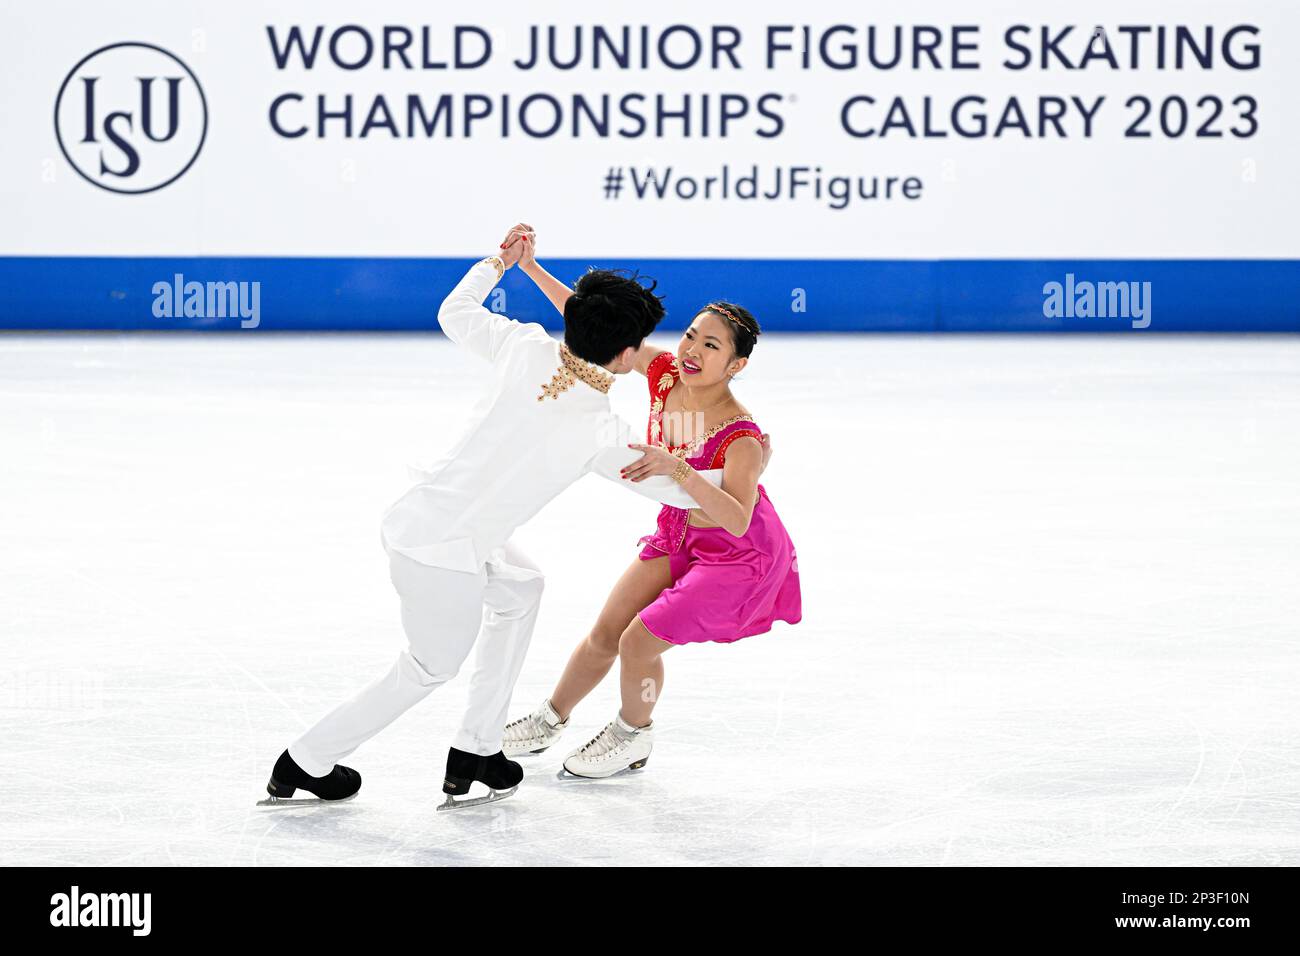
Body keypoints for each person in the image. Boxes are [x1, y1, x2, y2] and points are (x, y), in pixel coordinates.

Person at [259, 224, 729, 809]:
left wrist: (500, 263)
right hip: (440, 553)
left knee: (522, 588)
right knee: (428, 668)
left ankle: (477, 748)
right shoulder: (603, 435)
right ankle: (305, 760)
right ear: (629, 355)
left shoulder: (523, 344)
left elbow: (453, 310)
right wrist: (737, 461)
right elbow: (686, 493)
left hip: (426, 517)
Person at [502, 261, 801, 778]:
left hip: (738, 556)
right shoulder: (664, 376)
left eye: (712, 346)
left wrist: (680, 469)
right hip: (678, 533)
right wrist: (528, 267)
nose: (692, 350)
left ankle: (632, 735)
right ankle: (550, 719)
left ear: (736, 365)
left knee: (638, 640)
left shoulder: (742, 435)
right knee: (605, 632)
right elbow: (599, 321)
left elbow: (734, 519)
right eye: (690, 335)